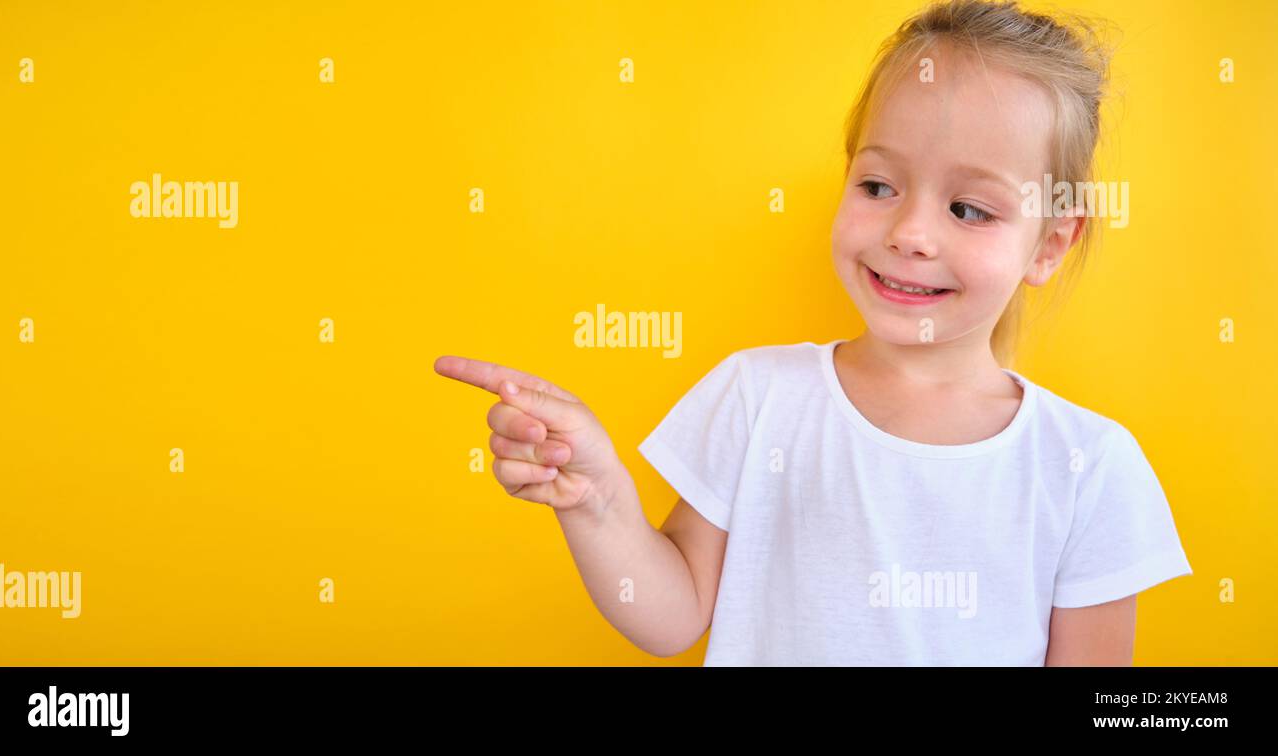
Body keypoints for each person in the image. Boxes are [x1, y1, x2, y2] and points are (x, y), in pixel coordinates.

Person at [433, 0, 1191, 665]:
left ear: (1051, 243)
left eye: (969, 209)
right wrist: (598, 501)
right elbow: (672, 618)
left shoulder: (1089, 467)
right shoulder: (759, 396)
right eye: (878, 186)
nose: (910, 232)